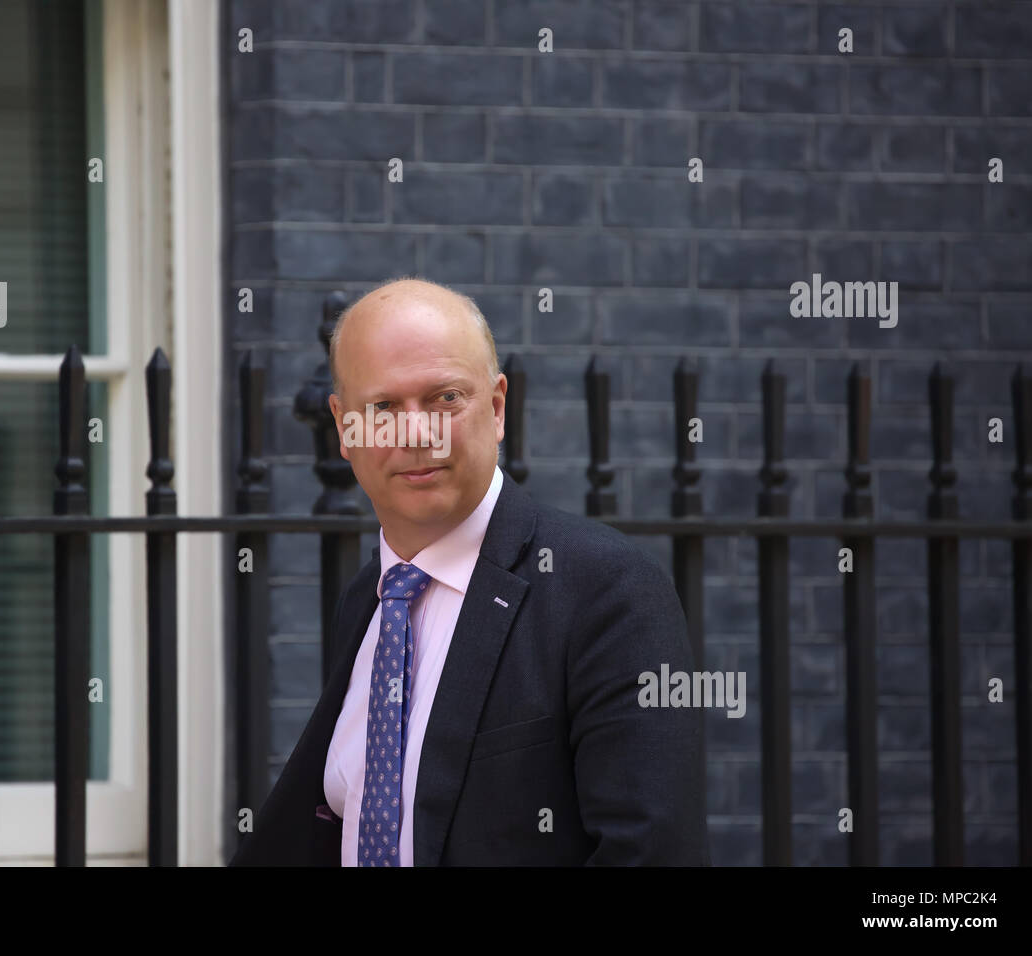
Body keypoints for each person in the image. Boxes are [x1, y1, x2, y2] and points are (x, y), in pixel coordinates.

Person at [230, 277, 708, 866]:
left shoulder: (607, 590)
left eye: (445, 398)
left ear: (498, 406)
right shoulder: (371, 601)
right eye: (382, 407)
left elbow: (652, 854)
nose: (417, 432)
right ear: (344, 429)